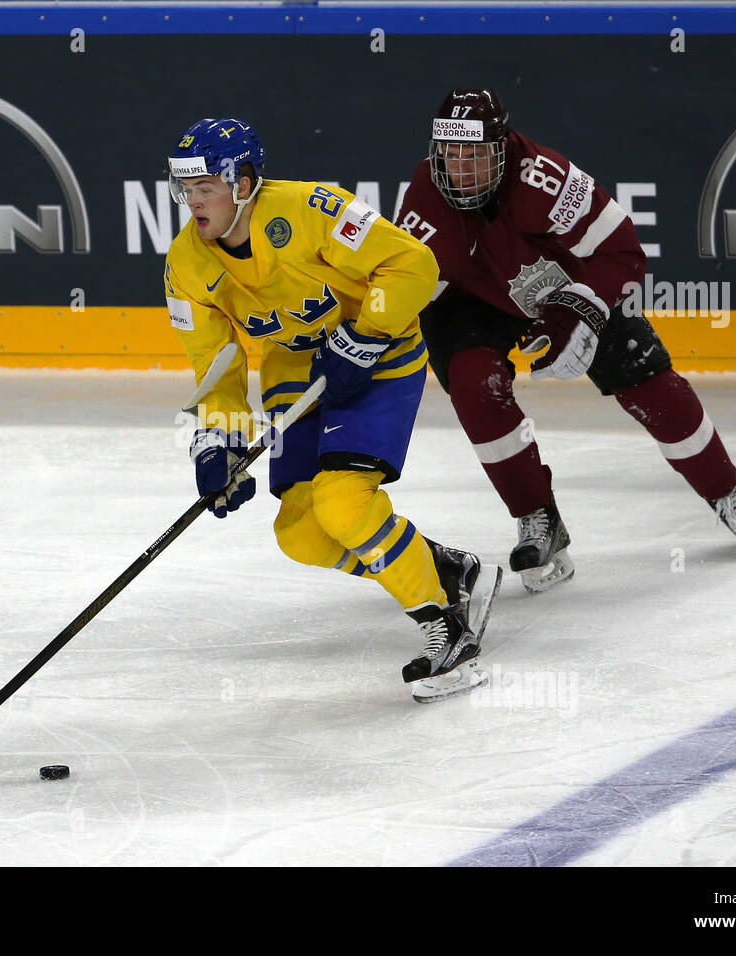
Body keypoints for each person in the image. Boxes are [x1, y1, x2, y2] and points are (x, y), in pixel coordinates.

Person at [163, 117, 501, 702]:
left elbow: (414, 264)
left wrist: (367, 335)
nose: (193, 202)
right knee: (300, 532)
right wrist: (217, 442)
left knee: (343, 503)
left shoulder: (312, 209)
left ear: (243, 184)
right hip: (296, 370)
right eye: (185, 189)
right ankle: (438, 565)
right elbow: (216, 367)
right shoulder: (186, 264)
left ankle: (444, 628)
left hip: (381, 354)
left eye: (206, 188)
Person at [395, 89, 736, 592]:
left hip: (565, 286)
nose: (461, 170)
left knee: (647, 381)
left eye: (476, 155)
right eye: (452, 154)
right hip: (471, 301)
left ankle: (726, 492)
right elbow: (405, 281)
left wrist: (579, 307)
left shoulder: (544, 178)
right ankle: (538, 517)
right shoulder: (425, 188)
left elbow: (622, 251)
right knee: (472, 386)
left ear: (504, 149)